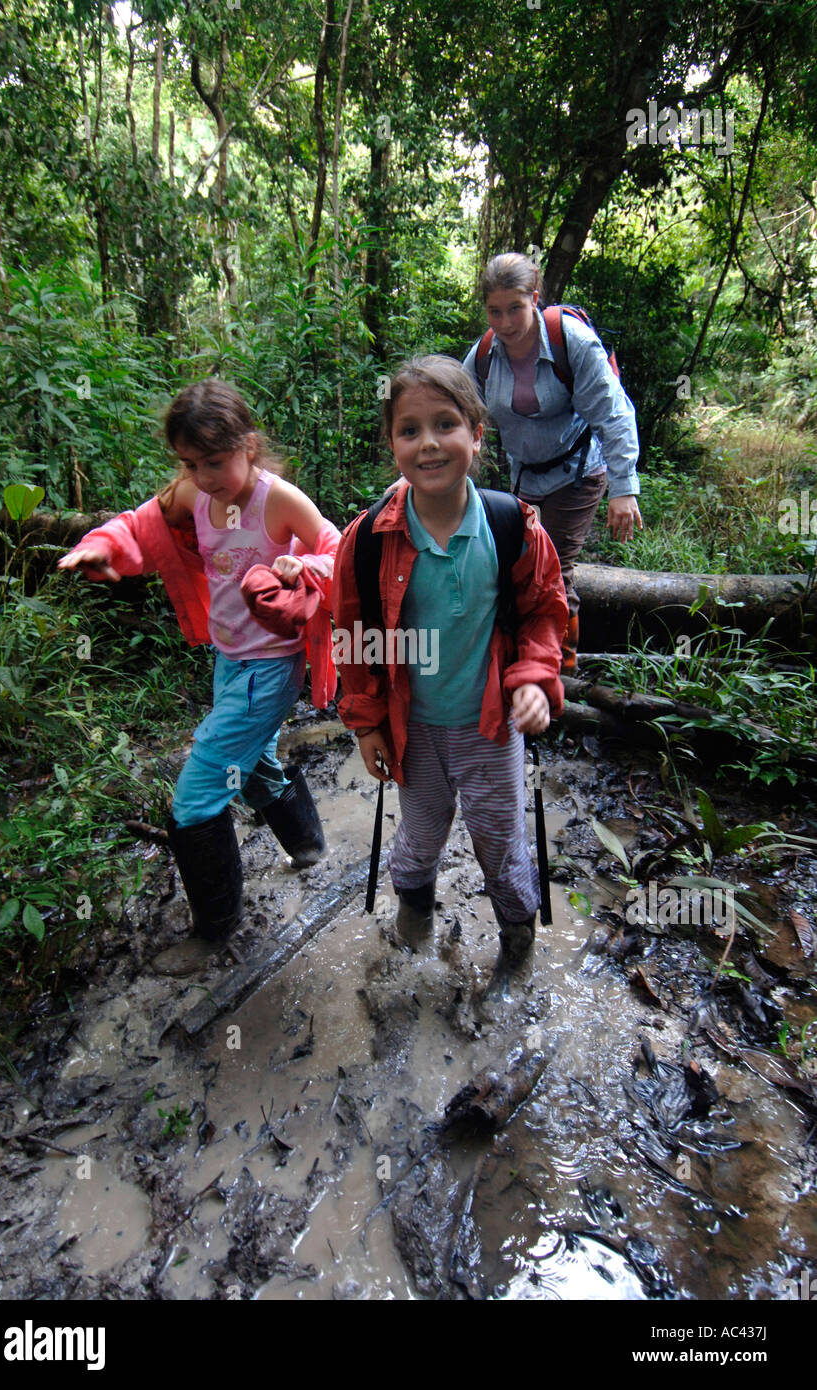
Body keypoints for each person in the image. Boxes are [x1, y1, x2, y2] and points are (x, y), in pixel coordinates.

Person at [59, 378, 340, 973]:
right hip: (228, 659)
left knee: (195, 797)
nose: (205, 476)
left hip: (271, 668)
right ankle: (310, 845)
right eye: (190, 463)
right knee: (253, 760)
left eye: (215, 461)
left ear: (249, 444)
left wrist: (304, 565)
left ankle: (216, 927)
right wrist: (101, 549)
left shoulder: (279, 499)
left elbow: (336, 551)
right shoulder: (192, 495)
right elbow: (141, 527)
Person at [333, 355, 568, 988]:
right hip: (415, 730)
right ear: (392, 444)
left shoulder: (511, 526)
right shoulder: (367, 541)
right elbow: (353, 639)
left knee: (501, 842)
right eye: (409, 430)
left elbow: (546, 610)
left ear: (477, 434)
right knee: (420, 832)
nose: (429, 443)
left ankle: (516, 946)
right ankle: (415, 923)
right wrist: (366, 725)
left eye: (446, 424)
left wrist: (534, 678)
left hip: (489, 727)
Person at [463, 252, 642, 673]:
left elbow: (614, 413)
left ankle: (563, 665)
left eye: (515, 309)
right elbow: (457, 407)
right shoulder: (486, 353)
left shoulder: (571, 342)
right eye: (494, 311)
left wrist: (624, 488)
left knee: (555, 567)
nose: (505, 322)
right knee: (519, 563)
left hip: (578, 472)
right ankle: (523, 653)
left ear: (535, 300)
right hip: (525, 476)